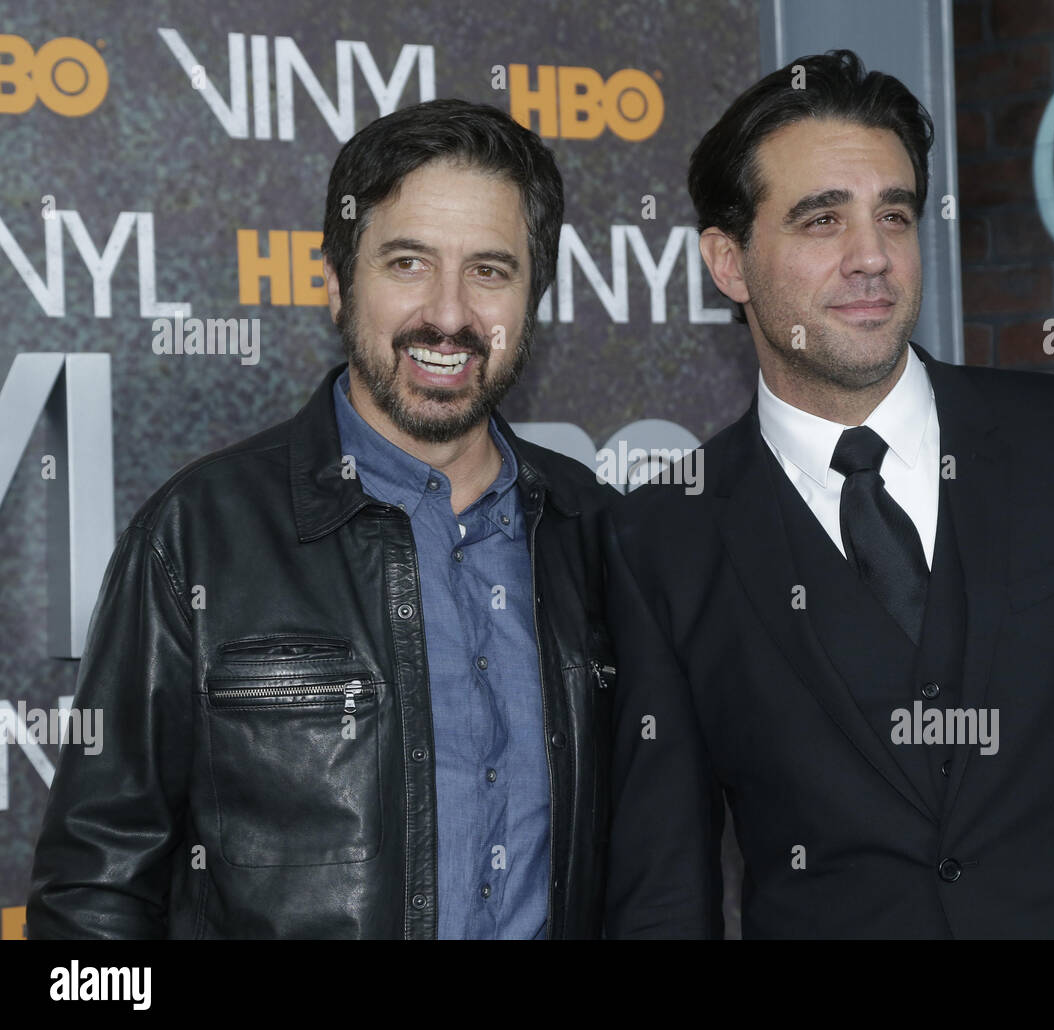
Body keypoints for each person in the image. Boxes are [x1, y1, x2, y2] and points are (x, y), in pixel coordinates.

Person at [601, 50, 1054, 938]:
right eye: (822, 220)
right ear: (728, 263)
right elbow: (664, 893)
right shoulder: (663, 535)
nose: (872, 257)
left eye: (895, 214)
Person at [28, 99, 616, 939]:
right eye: (408, 263)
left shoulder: (598, 534)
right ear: (338, 283)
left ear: (534, 295)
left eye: (490, 270)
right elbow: (94, 894)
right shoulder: (199, 537)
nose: (448, 315)